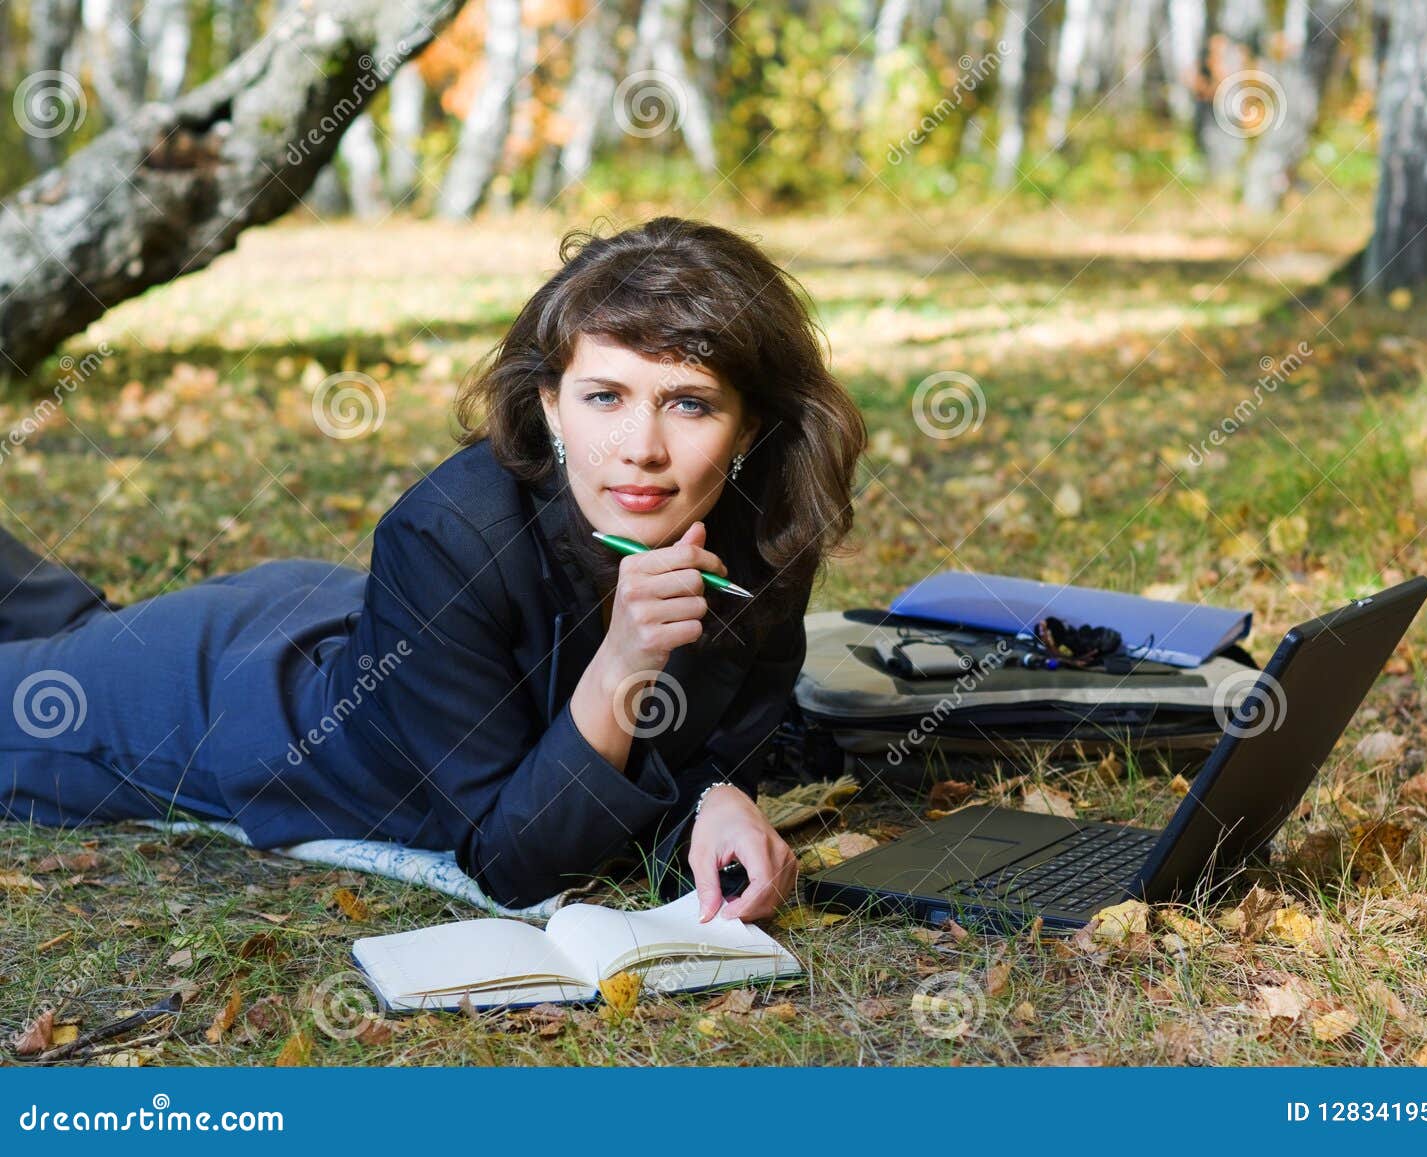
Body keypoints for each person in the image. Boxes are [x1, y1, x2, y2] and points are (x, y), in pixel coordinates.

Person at [0, 216, 867, 923]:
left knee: (73, 619)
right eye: (604, 396)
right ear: (550, 406)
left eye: (689, 403)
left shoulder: (769, 531)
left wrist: (719, 794)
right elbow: (510, 862)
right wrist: (624, 660)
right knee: (52, 670)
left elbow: (713, 744)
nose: (640, 449)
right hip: (215, 704)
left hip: (325, 617)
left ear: (749, 430)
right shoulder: (447, 533)